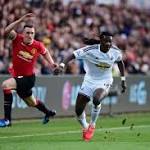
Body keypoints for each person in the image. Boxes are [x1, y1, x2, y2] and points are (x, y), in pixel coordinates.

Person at [54, 32, 127, 141]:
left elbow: (120, 62)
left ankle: (92, 125)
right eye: (106, 41)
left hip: (105, 81)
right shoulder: (90, 50)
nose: (108, 44)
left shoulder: (115, 51)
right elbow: (72, 55)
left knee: (97, 99)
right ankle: (86, 127)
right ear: (101, 41)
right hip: (89, 81)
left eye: (110, 42)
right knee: (78, 111)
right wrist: (62, 65)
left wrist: (123, 80)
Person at [0, 13, 57, 127]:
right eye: (27, 33)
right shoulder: (17, 38)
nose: (30, 35)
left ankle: (7, 120)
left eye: (32, 33)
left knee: (6, 85)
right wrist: (20, 20)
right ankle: (48, 113)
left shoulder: (37, 45)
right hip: (18, 77)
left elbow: (45, 53)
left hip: (28, 79)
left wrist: (52, 63)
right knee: (32, 103)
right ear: (23, 33)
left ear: (34, 34)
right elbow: (6, 31)